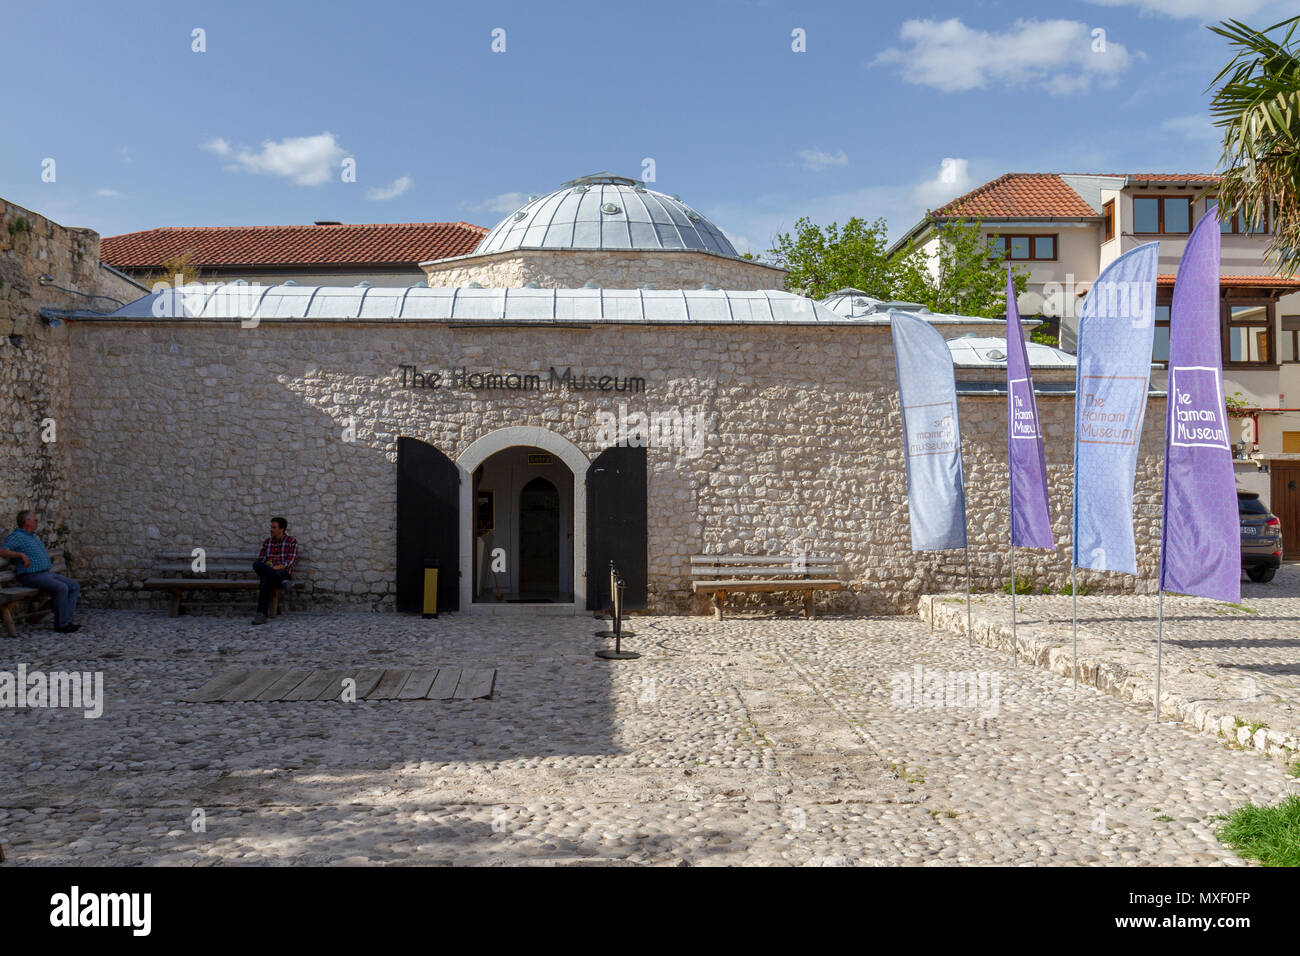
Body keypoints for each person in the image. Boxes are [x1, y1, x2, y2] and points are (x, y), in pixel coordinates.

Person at [0, 509, 81, 633]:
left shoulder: (32, 537)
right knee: (61, 588)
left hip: (46, 574)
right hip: (30, 575)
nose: (37, 521)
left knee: (74, 585)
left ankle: (67, 621)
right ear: (26, 521)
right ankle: (61, 625)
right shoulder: (17, 536)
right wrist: (20, 555)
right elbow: (2, 550)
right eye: (34, 519)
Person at [251, 516, 297, 625]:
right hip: (280, 578)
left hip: (283, 573)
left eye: (274, 527)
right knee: (256, 564)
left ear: (282, 529)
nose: (271, 529)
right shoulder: (267, 542)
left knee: (265, 579)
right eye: (271, 527)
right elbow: (261, 561)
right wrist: (268, 567)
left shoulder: (291, 541)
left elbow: (289, 562)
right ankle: (283, 582)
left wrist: (272, 568)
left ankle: (261, 614)